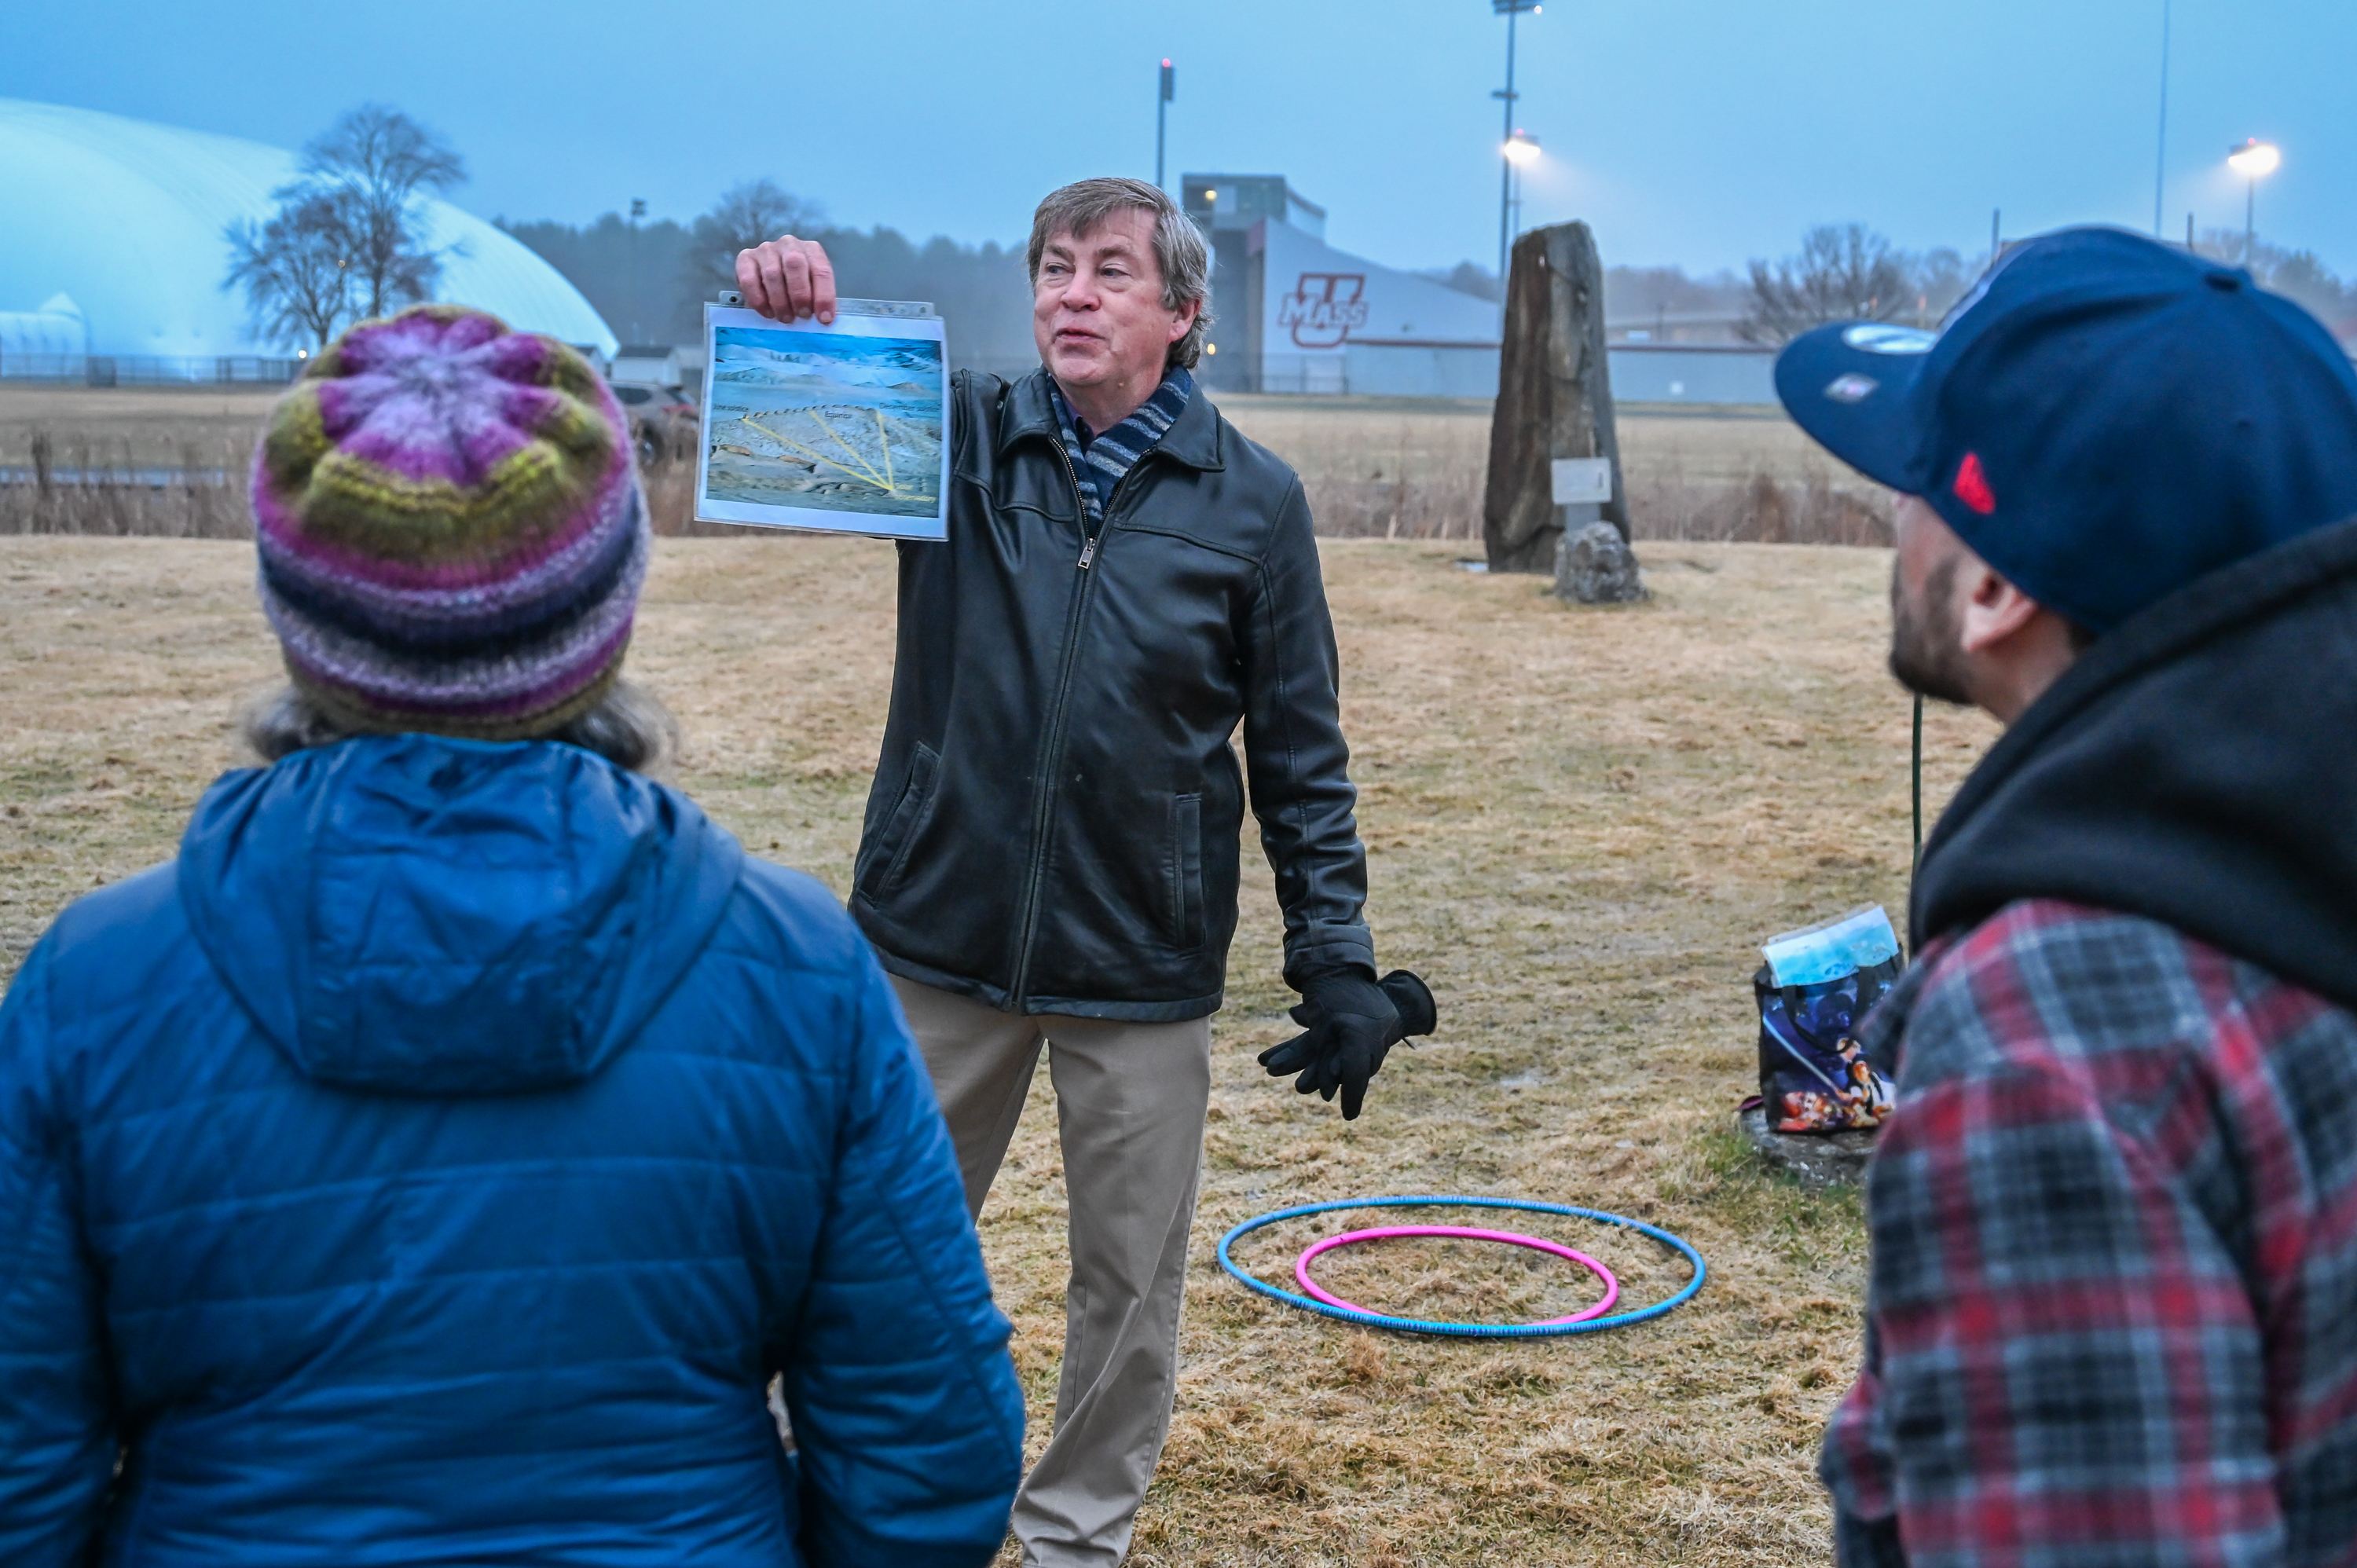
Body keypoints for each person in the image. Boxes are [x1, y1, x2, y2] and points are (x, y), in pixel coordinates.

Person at [0, 306, 1025, 1566]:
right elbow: (932, 1462)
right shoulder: (797, 969)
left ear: (294, 611)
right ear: (611, 607)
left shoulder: (96, 985)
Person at [734, 178, 1435, 1566]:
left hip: (1140, 963)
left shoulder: (1255, 506)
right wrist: (795, 321)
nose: (1071, 291)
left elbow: (1301, 755)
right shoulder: (959, 438)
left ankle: (1069, 1541)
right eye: (1055, 267)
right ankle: (826, 1512)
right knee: (863, 1259)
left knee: (1126, 1295)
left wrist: (1336, 962)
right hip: (938, 939)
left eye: (1110, 271)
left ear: (1180, 313)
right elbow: (774, 439)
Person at [1776, 227, 2357, 1566]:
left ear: (1994, 586)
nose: (1893, 517)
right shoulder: (2301, 883)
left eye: (1916, 481)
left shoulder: (2048, 1040)